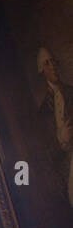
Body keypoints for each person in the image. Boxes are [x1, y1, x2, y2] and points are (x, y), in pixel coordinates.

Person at [35, 47, 73, 207]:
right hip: (66, 167)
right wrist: (61, 140)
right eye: (47, 63)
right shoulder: (43, 111)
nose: (52, 66)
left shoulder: (72, 92)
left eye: (54, 62)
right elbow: (47, 150)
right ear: (42, 70)